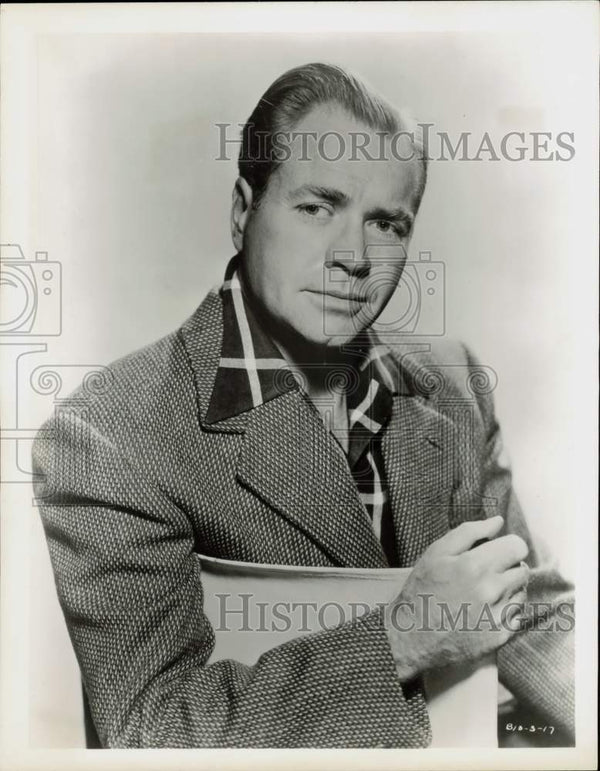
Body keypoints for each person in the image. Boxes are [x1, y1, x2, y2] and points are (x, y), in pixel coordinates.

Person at [32, 62, 574, 749]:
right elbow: (150, 732)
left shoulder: (455, 380)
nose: (353, 256)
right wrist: (403, 636)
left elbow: (535, 612)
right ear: (241, 210)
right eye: (317, 206)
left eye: (387, 223)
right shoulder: (109, 436)